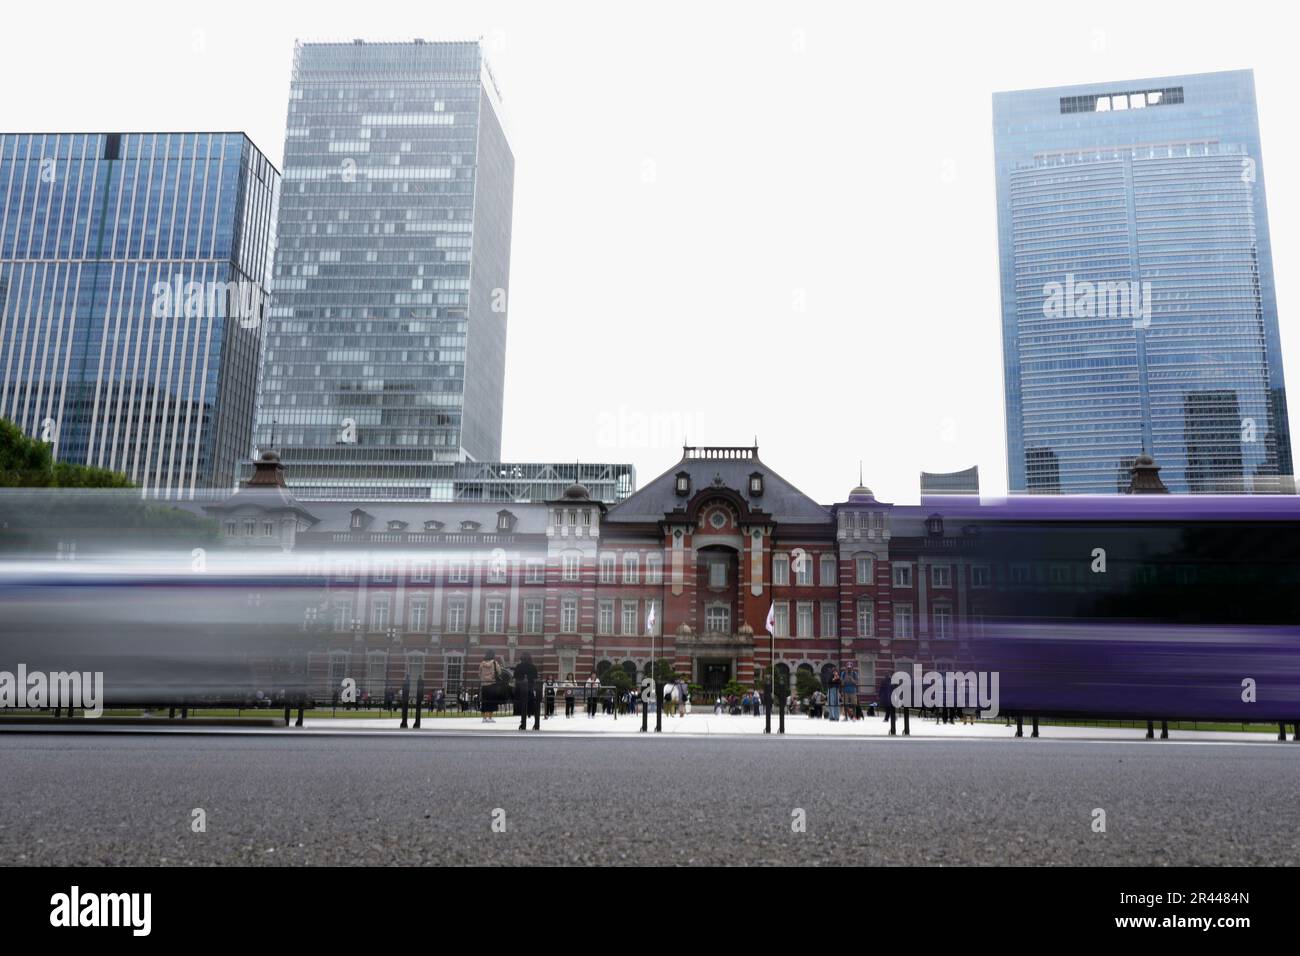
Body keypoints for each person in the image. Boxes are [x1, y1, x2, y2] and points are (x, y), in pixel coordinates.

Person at [514, 652, 540, 731]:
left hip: (520, 690)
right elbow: (536, 678)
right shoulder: (533, 667)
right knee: (532, 704)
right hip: (530, 689)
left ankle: (523, 723)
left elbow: (515, 678)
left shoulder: (518, 666)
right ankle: (536, 724)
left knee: (522, 705)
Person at [478, 651, 502, 723]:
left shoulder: (482, 664)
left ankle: (484, 718)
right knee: (492, 702)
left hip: (484, 685)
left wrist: (483, 678)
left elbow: (479, 674)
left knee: (484, 701)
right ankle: (490, 717)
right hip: (492, 684)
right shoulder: (495, 663)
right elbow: (499, 672)